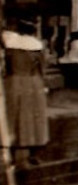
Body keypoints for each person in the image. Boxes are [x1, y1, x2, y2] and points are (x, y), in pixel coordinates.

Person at [2, 19, 49, 167]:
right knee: (35, 118)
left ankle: (11, 155)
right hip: (32, 83)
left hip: (13, 83)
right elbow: (42, 68)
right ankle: (34, 154)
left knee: (12, 117)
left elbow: (5, 68)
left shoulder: (10, 45)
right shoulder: (37, 46)